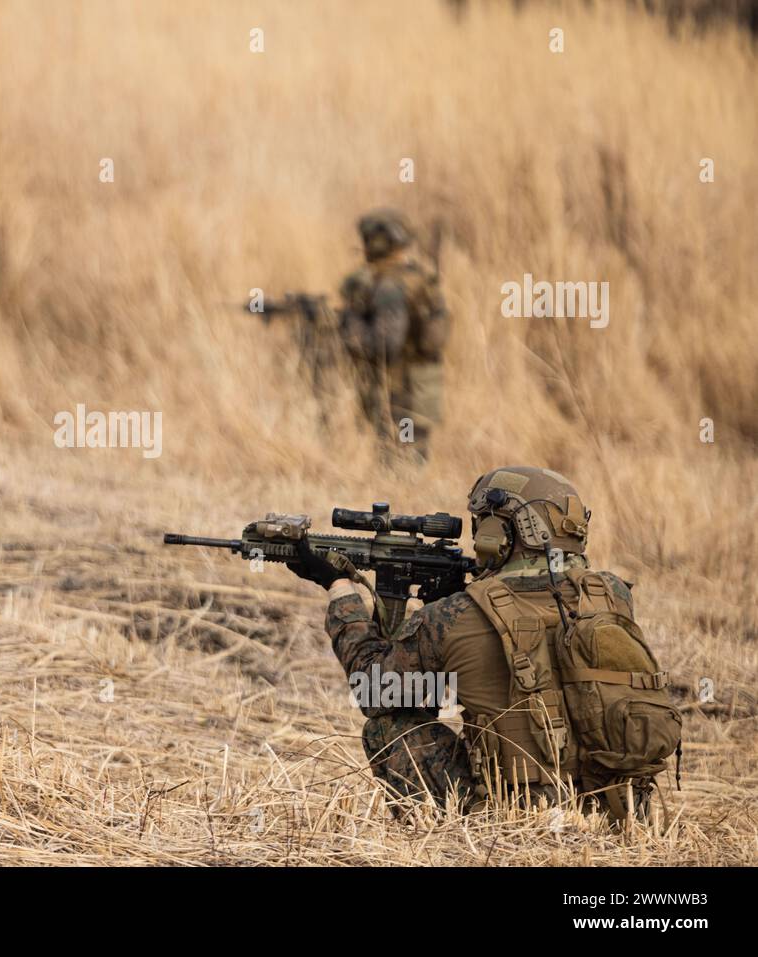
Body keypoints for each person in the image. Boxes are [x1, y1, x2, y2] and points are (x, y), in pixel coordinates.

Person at [292, 466, 682, 822]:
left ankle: (454, 828)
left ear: (499, 535)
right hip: (617, 807)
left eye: (482, 526)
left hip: (512, 814)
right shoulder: (611, 594)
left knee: (389, 727)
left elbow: (377, 691)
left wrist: (339, 588)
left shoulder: (453, 616)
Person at [337, 209, 448, 461]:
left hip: (400, 393)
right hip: (421, 389)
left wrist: (350, 328)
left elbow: (387, 343)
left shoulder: (389, 286)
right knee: (411, 462)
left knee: (397, 467)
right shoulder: (416, 277)